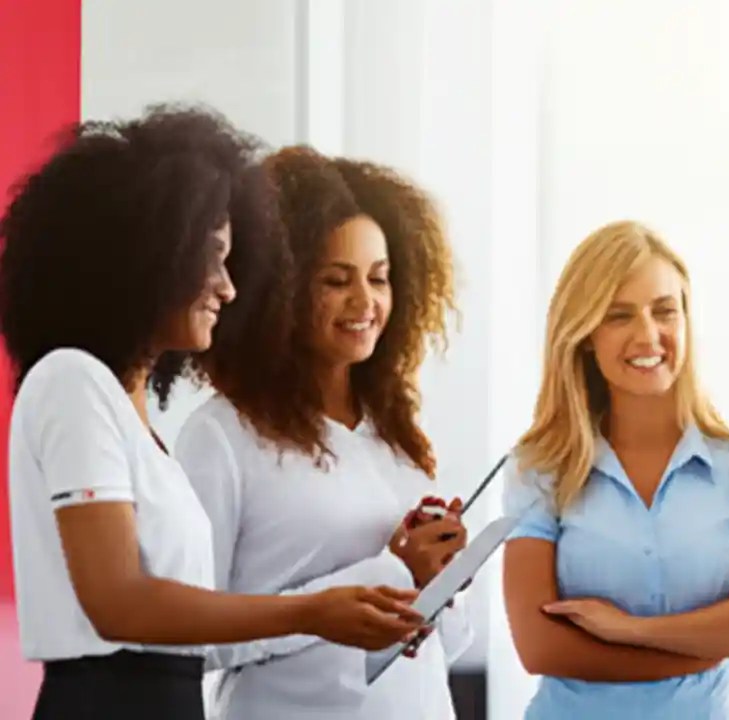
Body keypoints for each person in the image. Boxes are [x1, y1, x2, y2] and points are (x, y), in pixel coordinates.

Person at [0, 107, 424, 720]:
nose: (228, 287)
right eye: (212, 258)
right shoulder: (72, 381)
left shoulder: (131, 415)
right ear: (148, 255)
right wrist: (313, 611)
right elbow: (119, 604)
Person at [173, 145, 471, 720]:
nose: (365, 302)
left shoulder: (397, 436)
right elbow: (192, 640)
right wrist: (389, 572)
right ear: (279, 292)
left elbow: (445, 646)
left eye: (379, 279)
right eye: (336, 280)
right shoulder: (223, 437)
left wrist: (443, 582)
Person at [501, 220, 729, 720]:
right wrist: (715, 638)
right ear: (586, 335)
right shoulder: (542, 470)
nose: (647, 334)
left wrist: (628, 630)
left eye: (664, 311)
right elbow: (540, 649)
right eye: (618, 316)